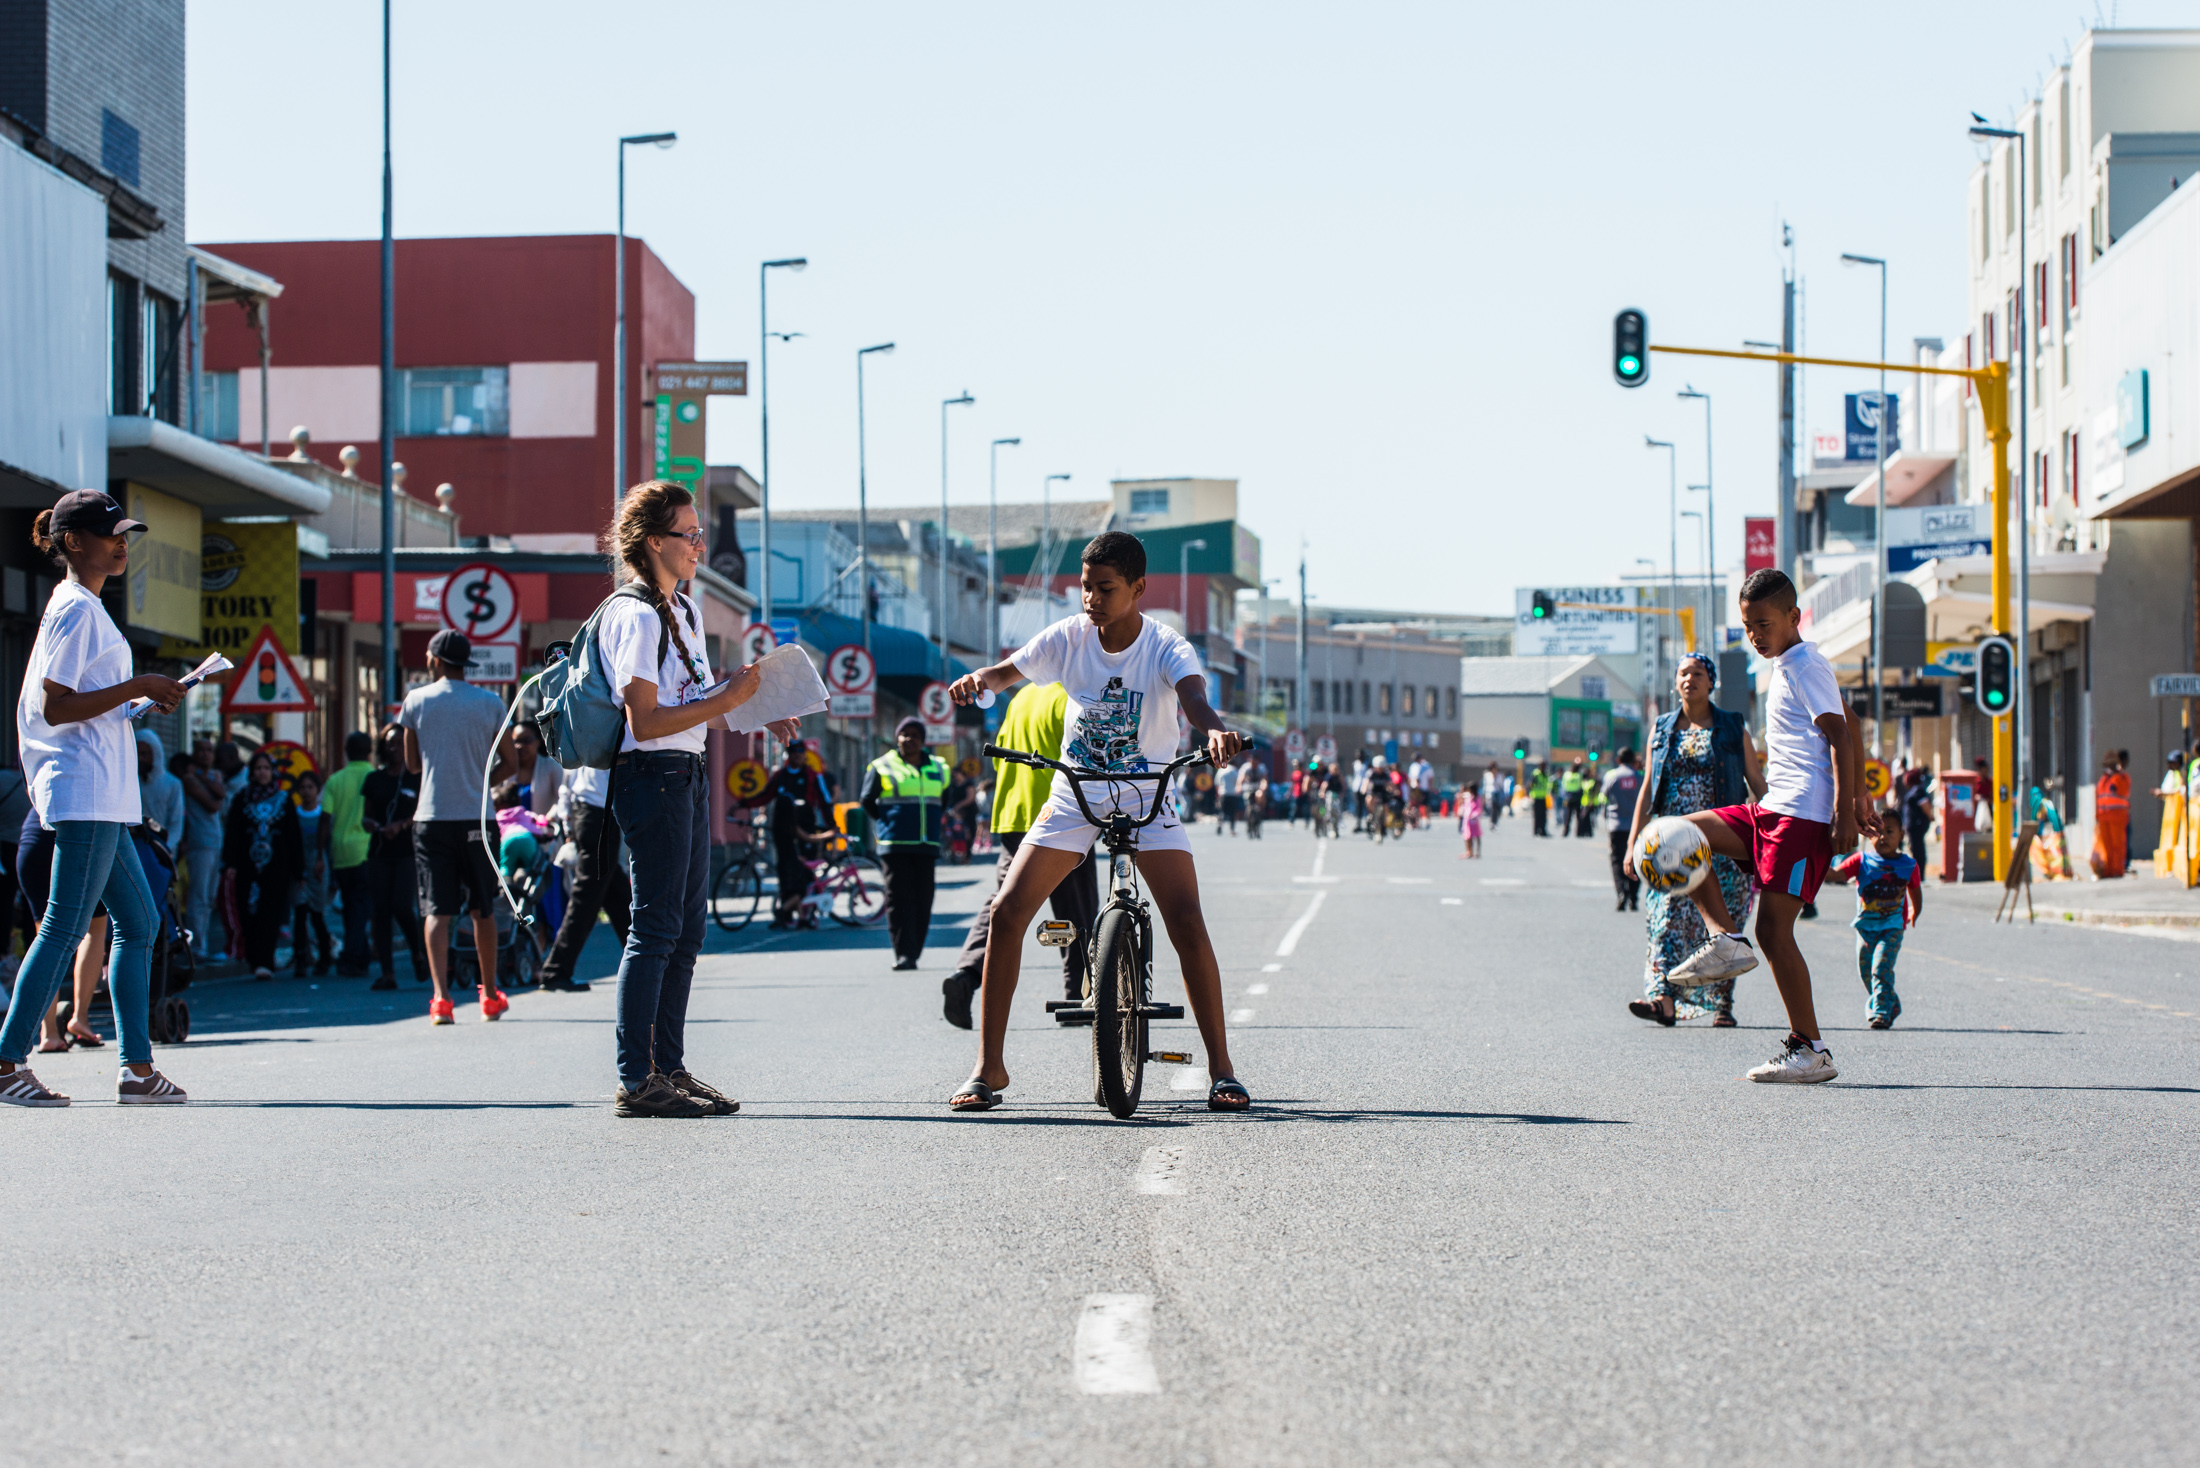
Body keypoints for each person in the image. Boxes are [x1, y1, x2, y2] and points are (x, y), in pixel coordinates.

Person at [945, 529, 1250, 1113]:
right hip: (1075, 796)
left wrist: (1214, 731)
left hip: (1147, 797)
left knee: (1187, 920)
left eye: (1105, 588)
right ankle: (988, 1068)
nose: (1092, 599)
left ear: (1138, 588)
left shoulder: (1166, 646)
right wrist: (979, 680)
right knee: (1007, 912)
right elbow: (1006, 672)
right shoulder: (1069, 637)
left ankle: (1222, 1070)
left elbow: (1194, 701)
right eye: (1086, 587)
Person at [594, 479, 798, 1119]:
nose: (700, 546)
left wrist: (754, 709)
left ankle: (669, 1068)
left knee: (686, 931)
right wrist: (728, 700)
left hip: (686, 772)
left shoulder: (683, 610)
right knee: (654, 929)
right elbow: (646, 720)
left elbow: (697, 701)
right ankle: (636, 1079)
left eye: (700, 533)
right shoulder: (634, 615)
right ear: (654, 542)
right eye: (689, 534)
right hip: (650, 774)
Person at [0, 489, 189, 1106]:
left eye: (124, 534)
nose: (121, 544)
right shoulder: (77, 609)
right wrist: (137, 685)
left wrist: (137, 702)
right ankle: (6, 1062)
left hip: (102, 792)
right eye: (110, 534)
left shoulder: (84, 607)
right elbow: (55, 707)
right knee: (64, 926)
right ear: (73, 542)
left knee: (140, 923)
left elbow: (81, 706)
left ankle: (137, 1070)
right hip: (84, 790)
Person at [1666, 570, 1873, 1083]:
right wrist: (1862, 795)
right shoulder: (1788, 664)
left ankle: (1811, 1050)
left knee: (1776, 933)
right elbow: (1853, 721)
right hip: (1771, 809)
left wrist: (1844, 810)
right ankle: (1724, 938)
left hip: (1802, 816)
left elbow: (1840, 736)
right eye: (1747, 626)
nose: (1755, 635)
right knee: (1679, 833)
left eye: (1764, 624)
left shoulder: (1806, 664)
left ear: (1793, 617)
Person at [943, 681, 1101, 1029]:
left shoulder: (1023, 697)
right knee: (1076, 909)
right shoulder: (1074, 695)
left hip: (1013, 814)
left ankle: (965, 974)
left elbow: (1002, 757)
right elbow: (1090, 756)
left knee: (1004, 904)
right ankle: (1078, 997)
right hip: (1060, 817)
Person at [1625, 653, 1763, 1025]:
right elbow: (1648, 788)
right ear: (1675, 682)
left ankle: (1722, 1004)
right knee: (1665, 920)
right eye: (1683, 673)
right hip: (1668, 846)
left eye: (1698, 673)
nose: (1690, 679)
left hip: (1723, 839)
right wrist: (1633, 843)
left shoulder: (1733, 727)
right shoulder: (1662, 728)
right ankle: (1662, 1000)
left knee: (1723, 923)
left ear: (1711, 682)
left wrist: (1774, 832)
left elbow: (1756, 781)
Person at [399, 628, 516, 1025]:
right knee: (483, 908)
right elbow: (510, 762)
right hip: (478, 818)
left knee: (437, 909)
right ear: (466, 663)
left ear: (434, 660)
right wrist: (482, 781)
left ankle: (441, 1000)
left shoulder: (416, 700)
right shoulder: (490, 703)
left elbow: (412, 764)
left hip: (431, 817)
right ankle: (490, 995)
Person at [860, 716, 948, 972]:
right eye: (904, 734)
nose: (909, 739)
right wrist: (887, 822)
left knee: (923, 900)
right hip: (894, 844)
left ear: (923, 741)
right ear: (897, 738)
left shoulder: (939, 767)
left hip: (927, 844)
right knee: (899, 900)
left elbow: (944, 799)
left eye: (915, 735)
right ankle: (903, 954)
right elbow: (867, 800)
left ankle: (914, 951)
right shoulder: (881, 766)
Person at [535, 757, 628, 992]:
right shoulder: (611, 739)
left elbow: (567, 781)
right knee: (586, 898)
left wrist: (568, 822)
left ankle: (651, 958)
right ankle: (555, 970)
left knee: (616, 894)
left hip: (588, 813)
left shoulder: (585, 741)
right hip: (599, 815)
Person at [1824, 817, 1922, 1029]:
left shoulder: (1908, 865)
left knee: (1881, 967)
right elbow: (1837, 875)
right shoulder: (1862, 860)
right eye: (1878, 832)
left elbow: (1915, 890)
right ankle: (1891, 1002)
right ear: (1869, 835)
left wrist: (1915, 910)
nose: (1883, 837)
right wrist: (1816, 862)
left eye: (1890, 831)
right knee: (1866, 972)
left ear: (1901, 835)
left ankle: (1880, 1012)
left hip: (1892, 927)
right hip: (1865, 928)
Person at [223, 749, 303, 981]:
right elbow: (233, 833)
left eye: (266, 768)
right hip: (246, 866)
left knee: (271, 912)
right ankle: (254, 958)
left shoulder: (284, 800)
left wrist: (298, 870)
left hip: (276, 867)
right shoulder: (242, 798)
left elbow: (293, 837)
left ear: (273, 772)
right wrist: (230, 863)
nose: (262, 773)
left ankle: (265, 961)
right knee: (248, 911)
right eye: (258, 768)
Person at [359, 724, 427, 990]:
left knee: (401, 905)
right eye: (390, 743)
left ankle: (417, 952)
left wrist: (401, 825)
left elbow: (424, 811)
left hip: (407, 850)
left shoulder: (416, 778)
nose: (394, 748)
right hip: (379, 851)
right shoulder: (374, 779)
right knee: (381, 910)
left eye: (400, 743)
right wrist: (370, 824)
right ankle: (387, 973)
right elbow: (366, 815)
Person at [320, 730, 375, 977]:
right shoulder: (374, 777)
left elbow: (325, 818)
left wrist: (319, 853)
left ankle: (360, 955)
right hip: (366, 850)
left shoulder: (335, 780)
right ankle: (353, 955)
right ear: (370, 751)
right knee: (360, 906)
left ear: (346, 752)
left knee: (351, 905)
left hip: (340, 850)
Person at [765, 740, 836, 929]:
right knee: (788, 876)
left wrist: (832, 827)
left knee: (803, 875)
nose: (797, 754)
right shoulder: (780, 776)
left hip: (806, 830)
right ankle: (787, 913)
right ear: (788, 755)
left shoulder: (812, 776)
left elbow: (825, 803)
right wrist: (742, 805)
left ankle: (803, 915)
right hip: (784, 837)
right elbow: (765, 795)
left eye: (800, 751)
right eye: (793, 751)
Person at [179, 737, 226, 959]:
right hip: (199, 843)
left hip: (215, 842)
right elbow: (214, 803)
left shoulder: (212, 776)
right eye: (201, 750)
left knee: (209, 897)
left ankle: (202, 944)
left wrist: (203, 777)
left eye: (209, 750)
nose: (206, 754)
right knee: (198, 896)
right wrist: (201, 776)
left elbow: (220, 792)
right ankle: (195, 946)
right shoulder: (189, 778)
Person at [289, 768, 334, 977]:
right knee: (299, 914)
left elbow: (329, 846)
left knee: (317, 914)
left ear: (317, 790)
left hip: (318, 868)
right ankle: (301, 957)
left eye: (310, 787)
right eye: (303, 787)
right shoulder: (294, 815)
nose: (306, 791)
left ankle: (325, 956)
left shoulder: (324, 815)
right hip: (299, 869)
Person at [1601, 746, 1643, 911]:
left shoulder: (1611, 776)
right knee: (1637, 860)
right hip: (1637, 826)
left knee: (1617, 861)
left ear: (1618, 760)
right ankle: (1633, 896)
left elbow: (1603, 797)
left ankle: (1621, 893)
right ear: (1634, 760)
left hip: (1616, 825)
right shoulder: (1640, 777)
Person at [134, 729, 185, 846]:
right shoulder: (131, 783)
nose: (140, 758)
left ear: (155, 754)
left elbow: (176, 823)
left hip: (163, 846)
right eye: (137, 753)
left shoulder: (172, 784)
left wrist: (165, 848)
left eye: (144, 754)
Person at [2091, 753, 2129, 879]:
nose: (2110, 766)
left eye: (2112, 763)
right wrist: (2097, 816)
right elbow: (2098, 796)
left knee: (2117, 845)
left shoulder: (2122, 777)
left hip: (2117, 817)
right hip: (2103, 817)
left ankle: (2117, 870)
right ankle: (2107, 870)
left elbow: (2123, 791)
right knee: (2106, 845)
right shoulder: (2104, 779)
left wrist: (2117, 776)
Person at [1900, 766, 1935, 873]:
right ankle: (1918, 872)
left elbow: (1925, 805)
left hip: (1916, 825)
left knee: (1918, 850)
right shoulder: (1915, 790)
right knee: (1915, 849)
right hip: (1914, 825)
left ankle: (1920, 873)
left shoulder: (1917, 790)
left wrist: (1930, 816)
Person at [1215, 756, 1243, 835]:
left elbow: (1217, 783)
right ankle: (1232, 829)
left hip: (1223, 793)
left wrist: (1218, 794)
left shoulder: (1221, 771)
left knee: (1222, 811)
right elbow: (1239, 782)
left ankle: (1220, 824)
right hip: (1232, 794)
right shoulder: (1234, 770)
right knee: (1232, 813)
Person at [1457, 784, 1482, 859]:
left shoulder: (1477, 798)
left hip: (1474, 821)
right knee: (1467, 836)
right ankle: (1469, 851)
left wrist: (1474, 815)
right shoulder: (1468, 797)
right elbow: (1464, 806)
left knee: (1477, 836)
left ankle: (1477, 852)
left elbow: (1479, 809)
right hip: (1467, 820)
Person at [1528, 763, 1551, 836]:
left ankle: (1542, 830)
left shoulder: (1546, 774)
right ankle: (1536, 830)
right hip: (1536, 797)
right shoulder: (1536, 774)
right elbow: (1530, 784)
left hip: (1543, 797)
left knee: (1543, 816)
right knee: (1537, 815)